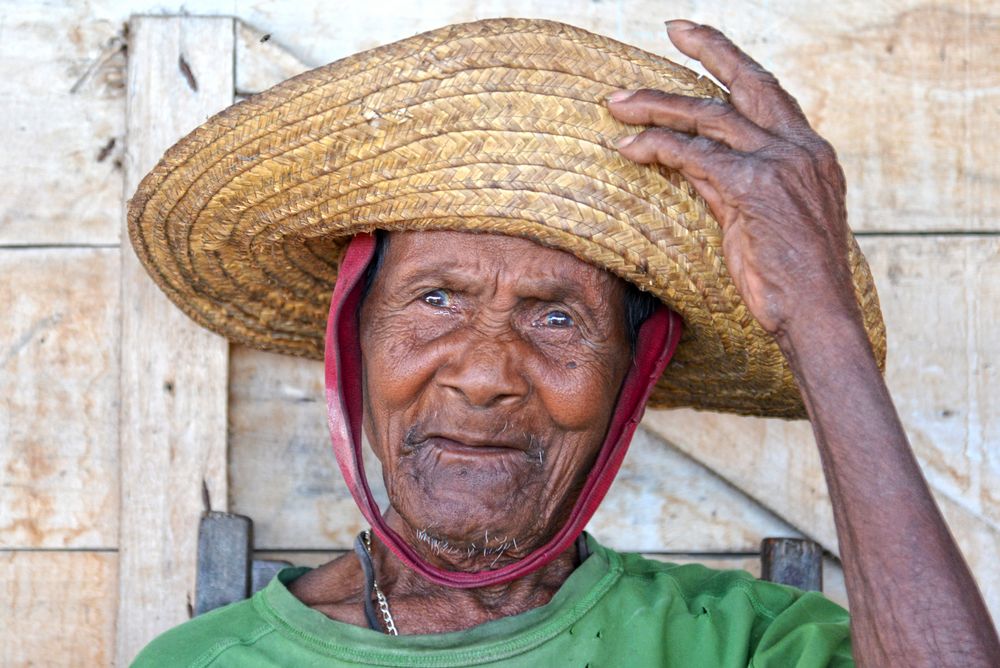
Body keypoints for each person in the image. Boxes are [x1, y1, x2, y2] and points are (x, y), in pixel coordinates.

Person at [128, 17, 1000, 667]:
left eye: (556, 319)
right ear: (353, 343)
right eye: (436, 299)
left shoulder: (738, 643)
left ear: (632, 378)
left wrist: (819, 315)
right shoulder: (203, 660)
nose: (483, 374)